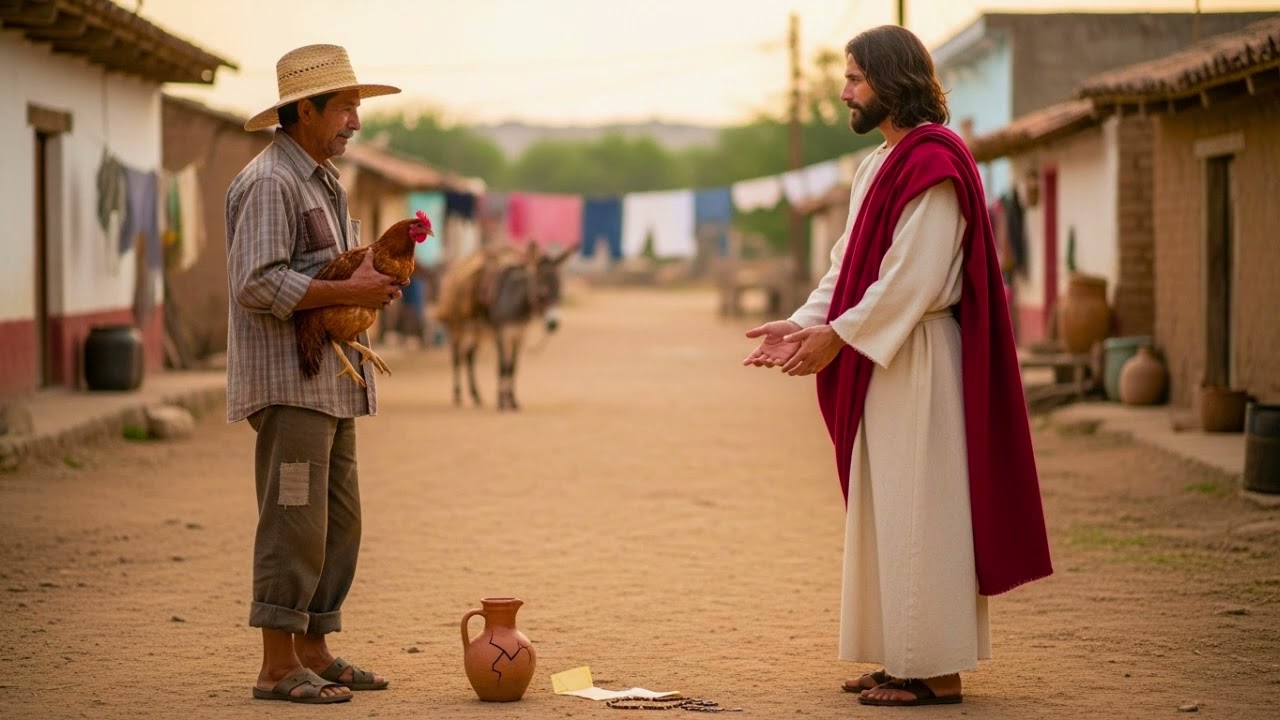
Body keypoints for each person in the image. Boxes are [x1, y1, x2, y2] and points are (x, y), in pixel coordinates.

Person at [742, 26, 1052, 707]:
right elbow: (847, 268)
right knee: (888, 508)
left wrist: (838, 338)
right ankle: (899, 656)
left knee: (924, 509)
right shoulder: (876, 165)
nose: (844, 90)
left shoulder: (935, 163)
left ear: (889, 80)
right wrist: (803, 323)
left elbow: (910, 280)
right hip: (882, 355)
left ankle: (935, 670)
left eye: (854, 77)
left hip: (920, 360)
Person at [227, 44, 404, 705]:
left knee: (338, 519)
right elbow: (256, 283)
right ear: (304, 110)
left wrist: (361, 285)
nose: (355, 121)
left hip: (331, 383)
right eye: (346, 107)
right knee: (294, 516)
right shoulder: (272, 181)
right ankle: (276, 665)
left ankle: (314, 648)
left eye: (357, 107)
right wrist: (348, 288)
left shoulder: (320, 178)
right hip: (288, 384)